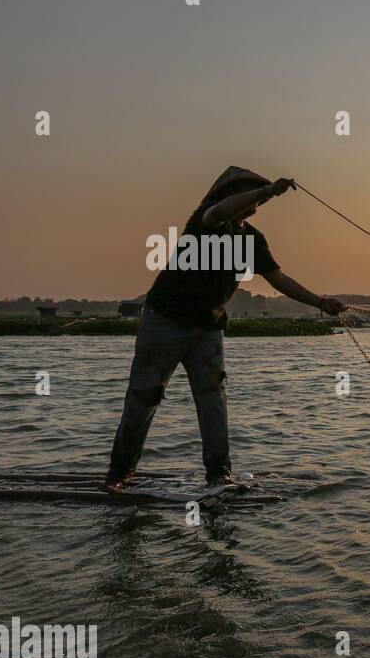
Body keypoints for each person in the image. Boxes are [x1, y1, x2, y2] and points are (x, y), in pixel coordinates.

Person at [103, 166, 346, 492]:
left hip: (208, 328)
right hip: (164, 322)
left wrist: (320, 301)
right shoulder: (207, 219)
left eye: (254, 194)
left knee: (212, 400)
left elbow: (279, 280)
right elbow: (220, 211)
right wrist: (268, 191)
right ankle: (120, 474)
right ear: (228, 195)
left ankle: (219, 474)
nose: (252, 201)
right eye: (245, 193)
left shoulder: (252, 239)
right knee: (144, 396)